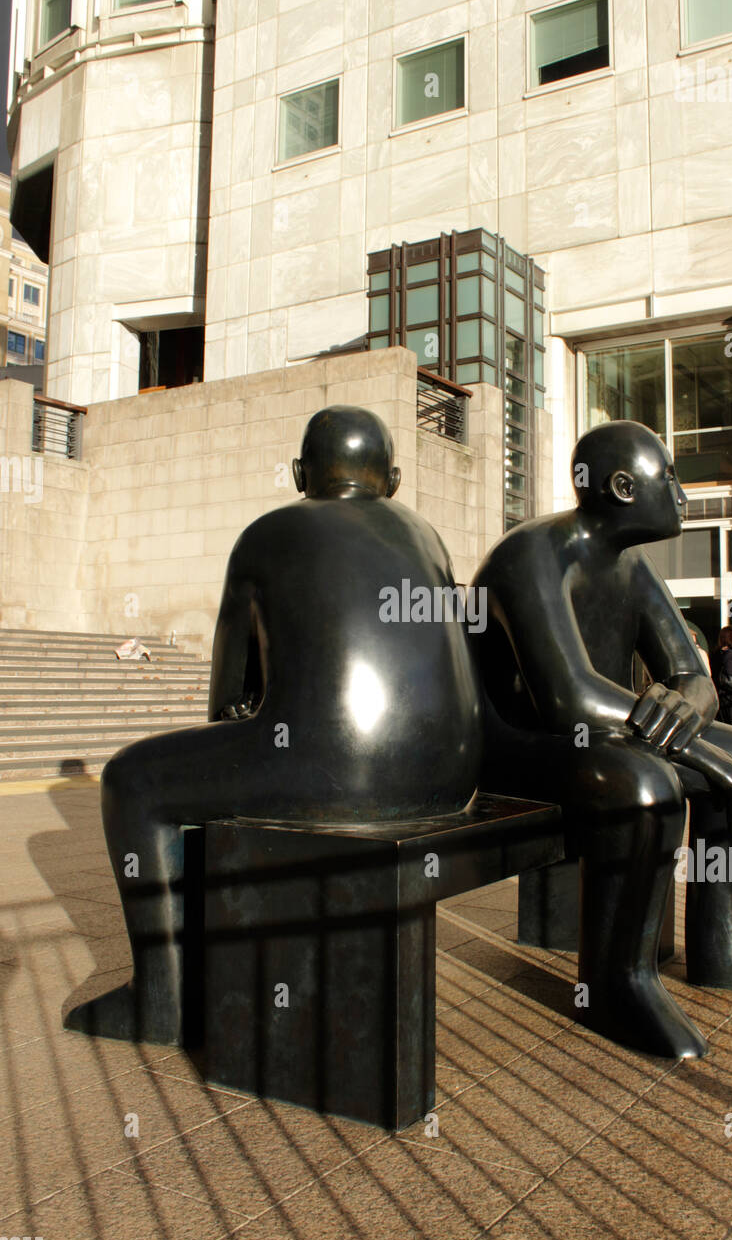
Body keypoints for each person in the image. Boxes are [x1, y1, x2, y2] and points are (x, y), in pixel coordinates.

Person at [64, 405, 483, 1045]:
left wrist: (245, 727)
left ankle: (161, 1002)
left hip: (332, 768)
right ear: (394, 481)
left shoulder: (266, 534)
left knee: (131, 781)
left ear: (297, 473)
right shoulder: (427, 537)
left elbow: (225, 695)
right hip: (448, 774)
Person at [469, 419, 732, 1061]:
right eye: (671, 479)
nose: (681, 495)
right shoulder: (530, 555)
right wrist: (693, 747)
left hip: (605, 735)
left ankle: (729, 946)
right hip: (519, 747)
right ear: (625, 488)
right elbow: (567, 697)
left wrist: (689, 710)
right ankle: (617, 983)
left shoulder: (633, 566)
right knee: (645, 784)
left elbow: (691, 674)